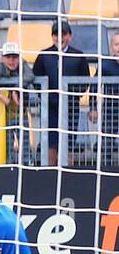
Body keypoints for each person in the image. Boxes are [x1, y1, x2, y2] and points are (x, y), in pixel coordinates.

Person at [31, 19, 92, 167]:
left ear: (69, 36)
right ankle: (50, 176)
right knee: (51, 143)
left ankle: (66, 178)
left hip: (71, 107)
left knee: (68, 143)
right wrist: (46, 97)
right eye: (56, 34)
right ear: (52, 36)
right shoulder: (44, 55)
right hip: (49, 108)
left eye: (63, 34)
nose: (59, 38)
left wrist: (72, 96)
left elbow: (85, 80)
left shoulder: (78, 55)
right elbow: (36, 78)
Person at [0, 41, 34, 165]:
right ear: (2, 58)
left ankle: (27, 166)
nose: (12, 61)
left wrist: (16, 89)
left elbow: (30, 76)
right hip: (4, 115)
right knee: (7, 144)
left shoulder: (23, 64)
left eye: (14, 57)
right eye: (8, 57)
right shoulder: (0, 67)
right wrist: (1, 97)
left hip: (21, 112)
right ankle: (9, 166)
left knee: (25, 143)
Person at [95, 30, 119, 171]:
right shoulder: (105, 64)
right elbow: (93, 85)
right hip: (111, 109)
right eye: (117, 44)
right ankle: (106, 170)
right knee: (107, 142)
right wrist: (92, 107)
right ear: (112, 47)